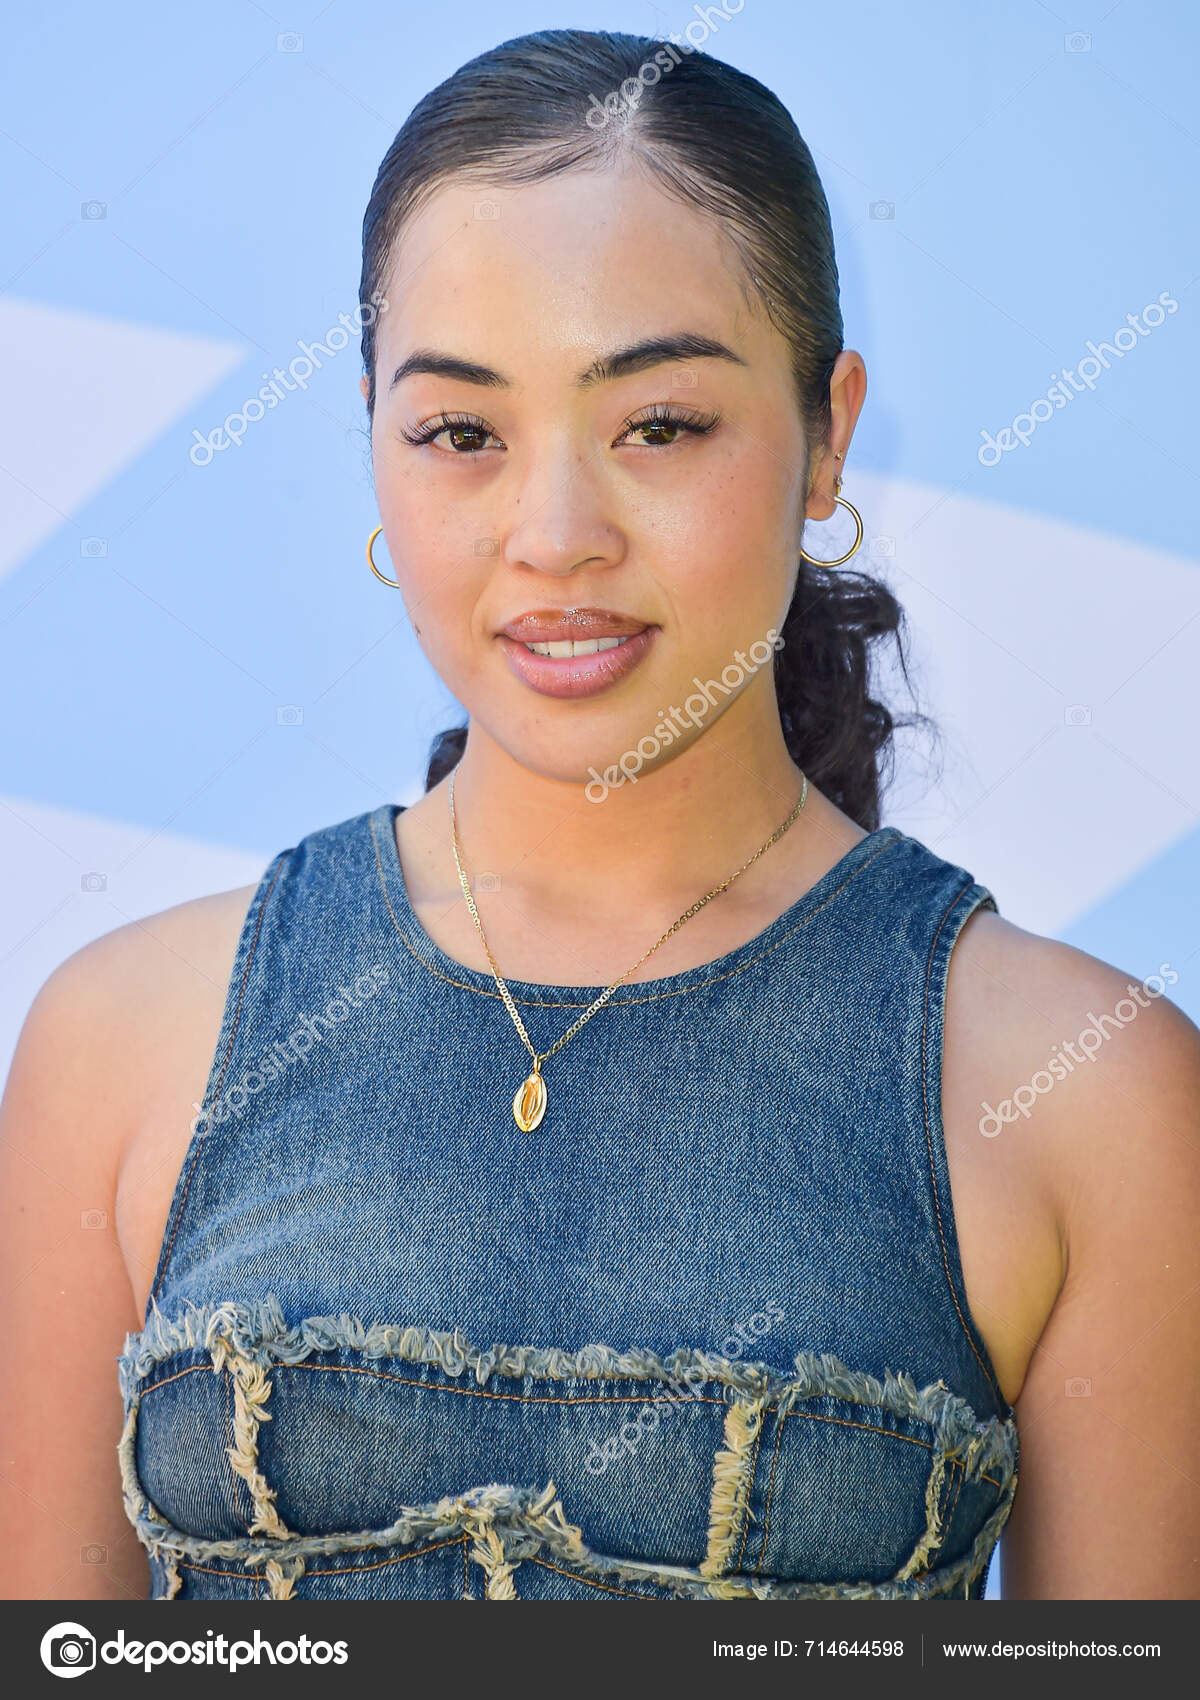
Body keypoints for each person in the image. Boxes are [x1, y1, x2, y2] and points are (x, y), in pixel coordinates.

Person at [1, 28, 1197, 1604]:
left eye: (660, 425)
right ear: (374, 437)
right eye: (462, 434)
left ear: (827, 430)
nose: (554, 536)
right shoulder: (120, 1040)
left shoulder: (1089, 1097)